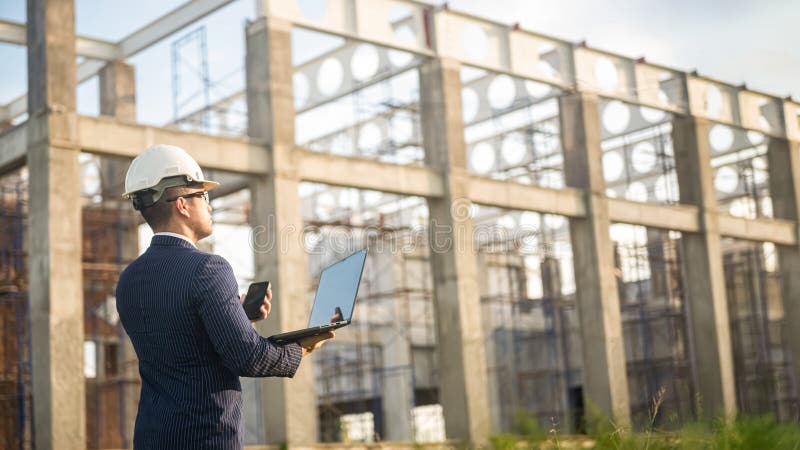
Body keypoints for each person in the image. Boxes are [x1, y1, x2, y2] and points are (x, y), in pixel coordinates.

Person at [115, 144, 333, 449]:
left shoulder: (129, 279)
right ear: (182, 205)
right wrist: (303, 348)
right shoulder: (208, 268)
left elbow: (180, 336)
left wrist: (235, 316)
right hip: (205, 438)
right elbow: (248, 357)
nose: (210, 205)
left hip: (152, 438)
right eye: (203, 195)